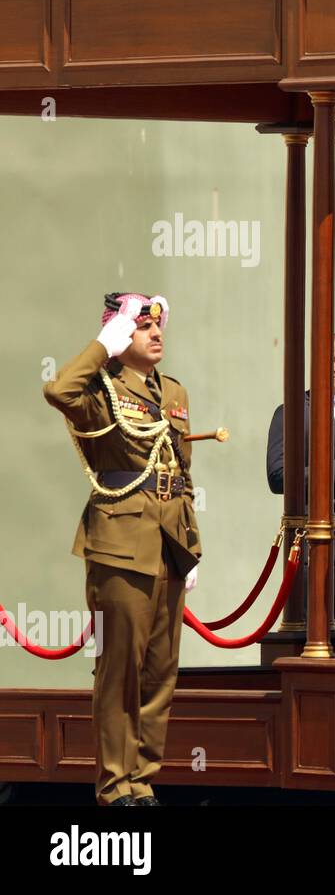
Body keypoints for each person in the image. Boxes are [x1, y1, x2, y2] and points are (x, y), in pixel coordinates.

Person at [44, 293, 202, 806]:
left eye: (158, 328)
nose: (156, 335)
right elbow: (58, 390)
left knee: (161, 669)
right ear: (119, 335)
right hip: (118, 545)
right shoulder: (99, 388)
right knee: (120, 668)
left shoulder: (173, 392)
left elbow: (180, 472)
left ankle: (142, 781)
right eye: (142, 328)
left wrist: (192, 544)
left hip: (168, 545)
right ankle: (114, 787)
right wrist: (100, 346)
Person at [266, 333, 335, 632]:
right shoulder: (292, 411)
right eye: (328, 359)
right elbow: (278, 478)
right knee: (316, 636)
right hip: (321, 541)